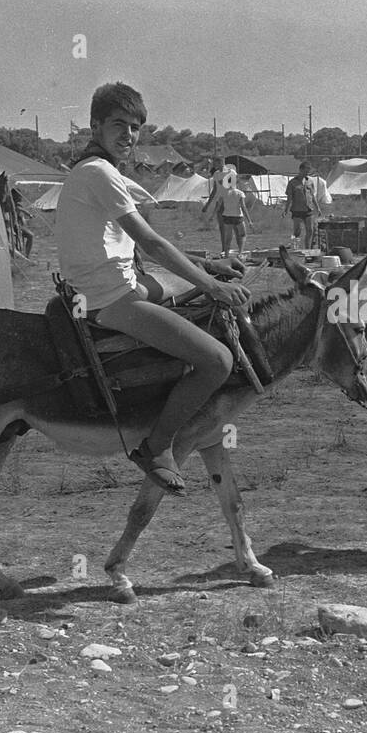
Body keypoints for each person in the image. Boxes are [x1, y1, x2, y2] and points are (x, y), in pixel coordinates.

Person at [56, 83, 250, 494]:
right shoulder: (98, 173)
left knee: (191, 289)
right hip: (110, 298)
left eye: (135, 127)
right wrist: (213, 284)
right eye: (118, 125)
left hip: (117, 282)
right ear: (95, 126)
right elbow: (151, 244)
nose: (128, 135)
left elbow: (143, 252)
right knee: (218, 360)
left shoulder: (97, 170)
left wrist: (209, 264)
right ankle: (157, 446)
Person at [202, 163, 253, 257]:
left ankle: (226, 254)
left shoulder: (223, 194)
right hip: (238, 217)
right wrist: (249, 221)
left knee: (228, 237)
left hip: (227, 216)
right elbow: (243, 207)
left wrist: (212, 216)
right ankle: (240, 253)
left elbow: (218, 205)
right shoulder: (240, 193)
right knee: (242, 235)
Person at [284, 160, 321, 249]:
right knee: (297, 231)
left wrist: (318, 208)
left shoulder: (310, 181)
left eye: (308, 171)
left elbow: (313, 196)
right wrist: (285, 210)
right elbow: (289, 198)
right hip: (297, 210)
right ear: (300, 170)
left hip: (308, 209)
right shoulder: (292, 182)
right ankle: (295, 249)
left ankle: (308, 250)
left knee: (310, 230)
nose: (307, 173)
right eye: (306, 170)